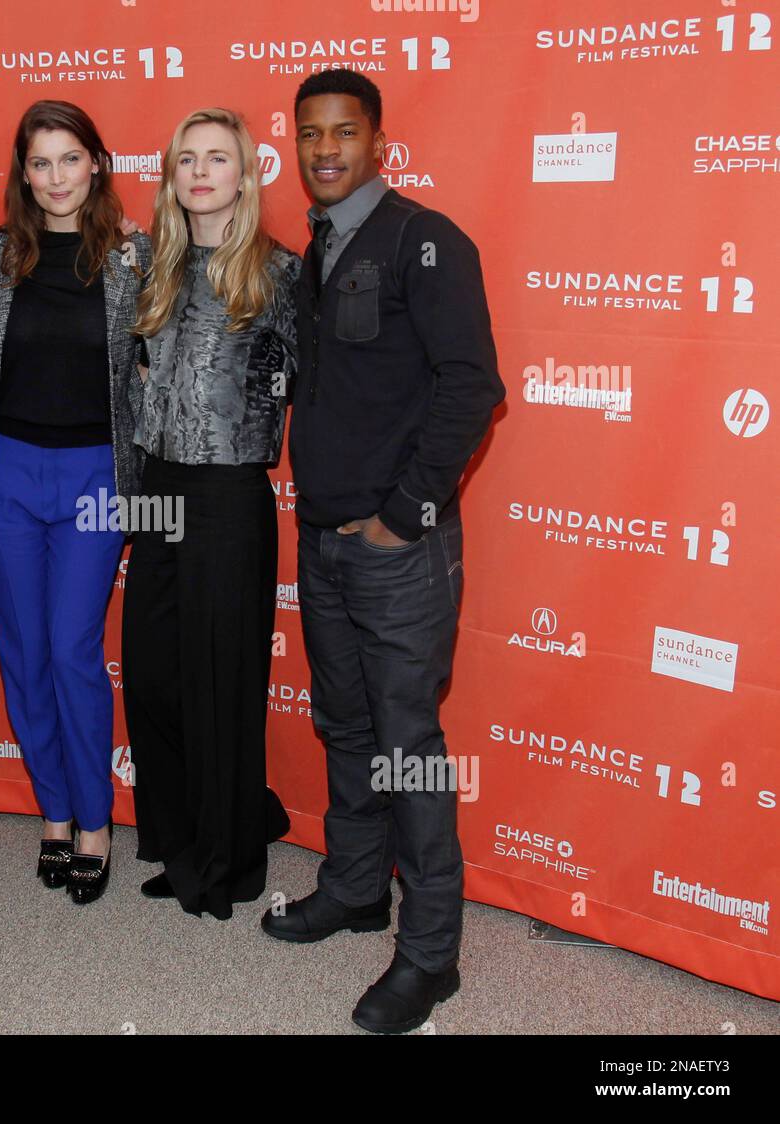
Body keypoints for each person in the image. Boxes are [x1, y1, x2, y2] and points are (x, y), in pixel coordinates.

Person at [261, 70, 505, 1033]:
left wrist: (405, 512)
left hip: (396, 548)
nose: (325, 150)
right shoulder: (317, 250)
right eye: (310, 134)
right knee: (347, 727)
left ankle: (431, 952)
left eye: (344, 133)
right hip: (322, 539)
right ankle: (357, 888)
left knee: (409, 747)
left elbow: (472, 385)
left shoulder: (425, 241)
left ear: (377, 141)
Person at [0, 100, 150, 905]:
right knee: (21, 649)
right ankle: (52, 808)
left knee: (73, 646)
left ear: (96, 165)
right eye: (39, 163)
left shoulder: (134, 256)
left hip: (94, 478)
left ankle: (95, 819)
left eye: (69, 159)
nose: (55, 178)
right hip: (7, 469)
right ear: (23, 173)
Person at [122, 107, 299, 921]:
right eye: (185, 157)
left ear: (245, 174)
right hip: (158, 485)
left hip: (229, 494)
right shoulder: (151, 267)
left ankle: (228, 860)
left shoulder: (281, 273)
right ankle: (182, 837)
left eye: (217, 158)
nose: (200, 171)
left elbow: (329, 390)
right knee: (156, 678)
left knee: (222, 686)